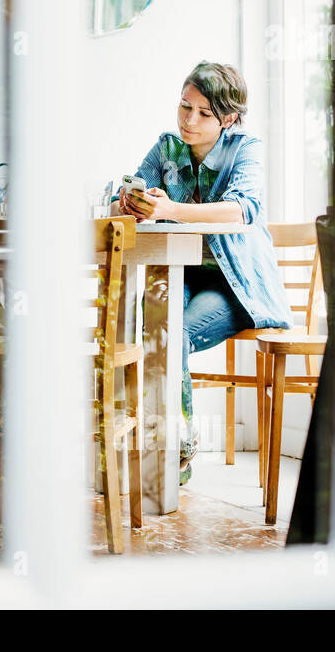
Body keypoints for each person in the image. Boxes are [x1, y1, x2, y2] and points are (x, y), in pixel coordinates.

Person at [112, 62, 292, 485]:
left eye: (204, 113)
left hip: (236, 286)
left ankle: (176, 449)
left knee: (171, 332)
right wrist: (128, 197)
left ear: (228, 118)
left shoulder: (246, 148)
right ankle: (172, 447)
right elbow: (138, 181)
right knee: (154, 315)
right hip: (182, 275)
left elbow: (241, 209)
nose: (189, 120)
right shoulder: (167, 148)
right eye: (184, 106)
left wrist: (169, 209)